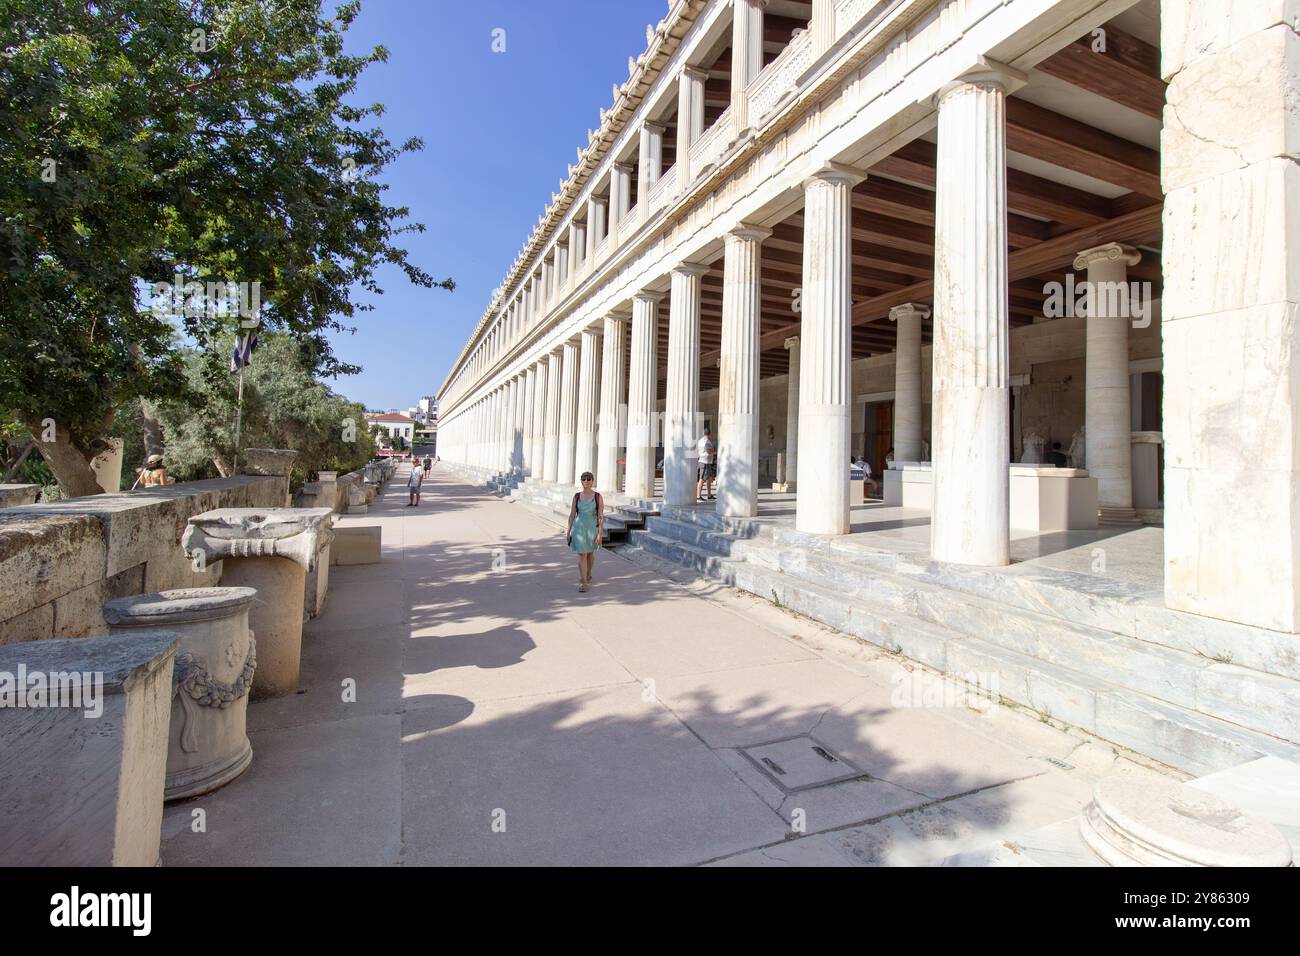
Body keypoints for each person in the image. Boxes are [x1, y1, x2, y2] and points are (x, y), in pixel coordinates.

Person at [566, 472, 604, 592]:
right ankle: (584, 582)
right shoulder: (577, 496)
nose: (586, 481)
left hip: (592, 528)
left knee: (590, 554)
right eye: (584, 479)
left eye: (589, 479)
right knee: (582, 554)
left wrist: (600, 533)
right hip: (579, 528)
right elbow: (572, 514)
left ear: (592, 481)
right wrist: (568, 531)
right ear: (581, 481)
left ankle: (588, 573)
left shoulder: (597, 496)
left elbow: (601, 516)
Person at [695, 427, 716, 501]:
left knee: (709, 479)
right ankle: (698, 495)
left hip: (705, 461)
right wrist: (715, 452)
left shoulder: (700, 441)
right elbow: (708, 452)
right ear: (709, 434)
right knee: (702, 479)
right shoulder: (707, 441)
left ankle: (709, 495)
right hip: (705, 462)